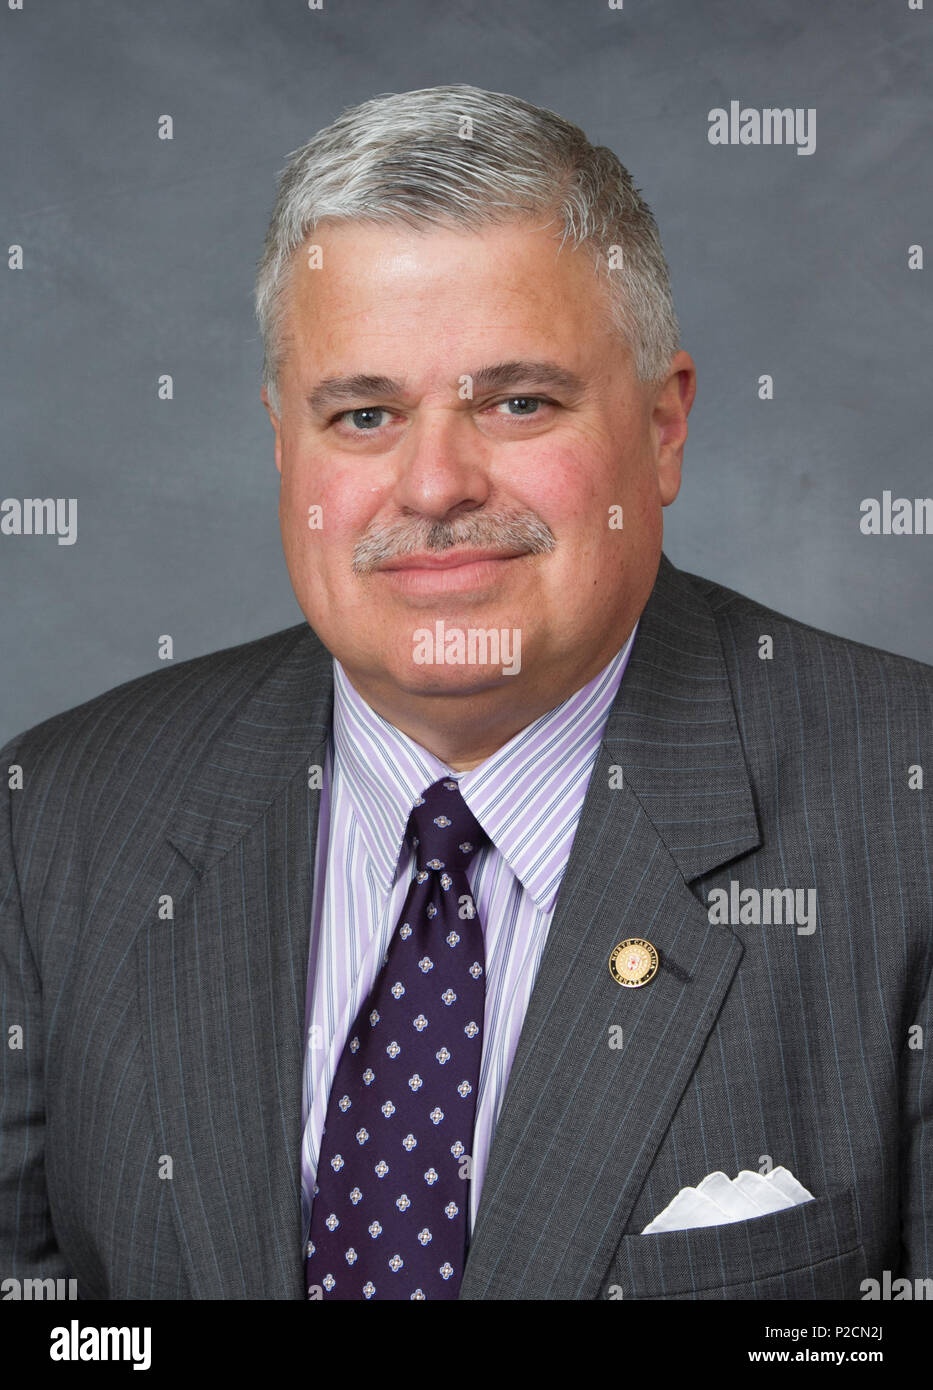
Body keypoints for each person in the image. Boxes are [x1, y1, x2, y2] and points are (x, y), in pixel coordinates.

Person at [1, 84, 929, 1302]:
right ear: (285, 444)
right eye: (365, 412)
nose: (434, 483)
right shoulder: (56, 824)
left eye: (519, 401)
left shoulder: (906, 820)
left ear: (662, 427)